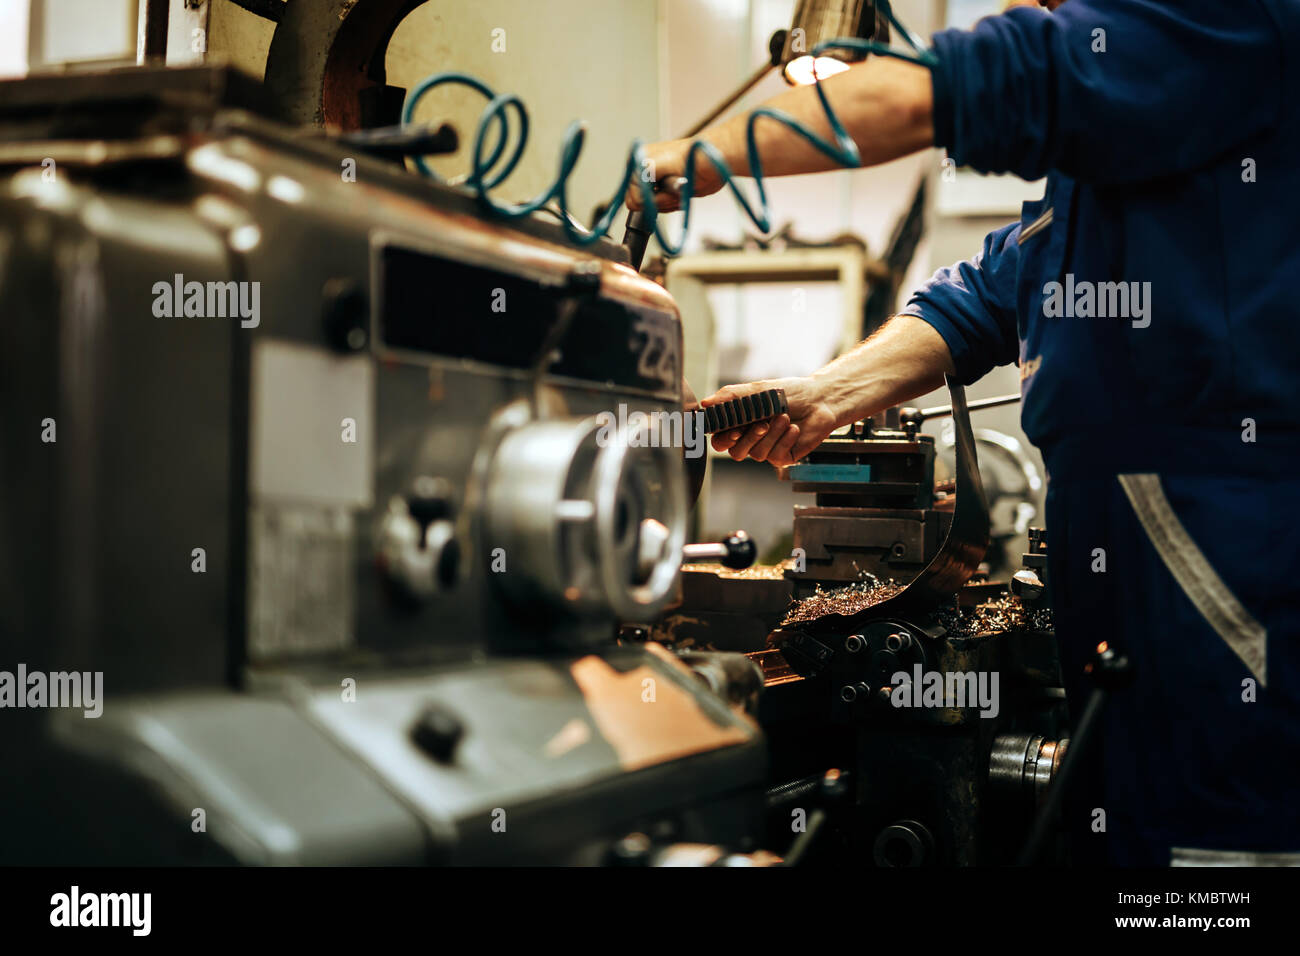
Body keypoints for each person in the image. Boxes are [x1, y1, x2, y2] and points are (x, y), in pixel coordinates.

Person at [629, 0, 1300, 866]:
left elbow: (943, 93)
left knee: (1218, 863)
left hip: (1232, 589)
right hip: (1134, 600)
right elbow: (988, 293)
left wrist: (703, 153)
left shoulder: (1215, 21)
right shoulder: (1104, 164)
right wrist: (826, 397)